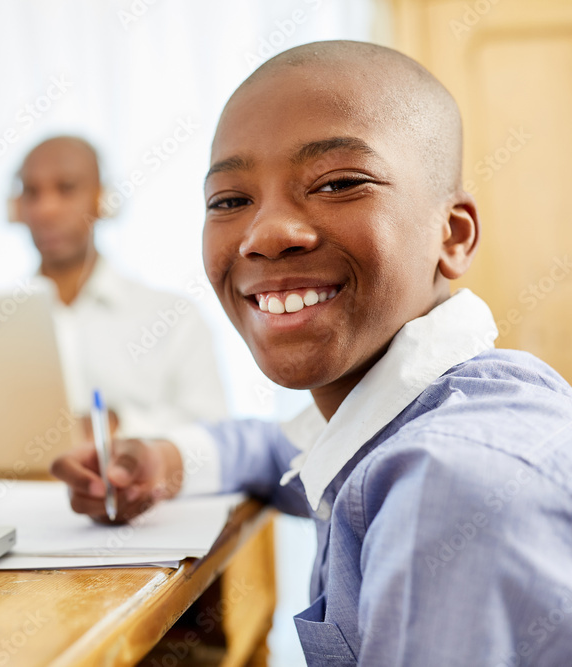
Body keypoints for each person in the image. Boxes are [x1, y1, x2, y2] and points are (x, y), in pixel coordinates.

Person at [50, 40, 572, 665]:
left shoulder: (448, 491)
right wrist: (165, 461)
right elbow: (284, 451)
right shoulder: (415, 411)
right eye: (230, 201)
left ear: (452, 234)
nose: (265, 234)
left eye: (338, 183)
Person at [12, 135, 228, 437]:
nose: (46, 209)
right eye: (32, 193)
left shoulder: (174, 317)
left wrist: (114, 427)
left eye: (66, 189)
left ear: (103, 199)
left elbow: (214, 433)